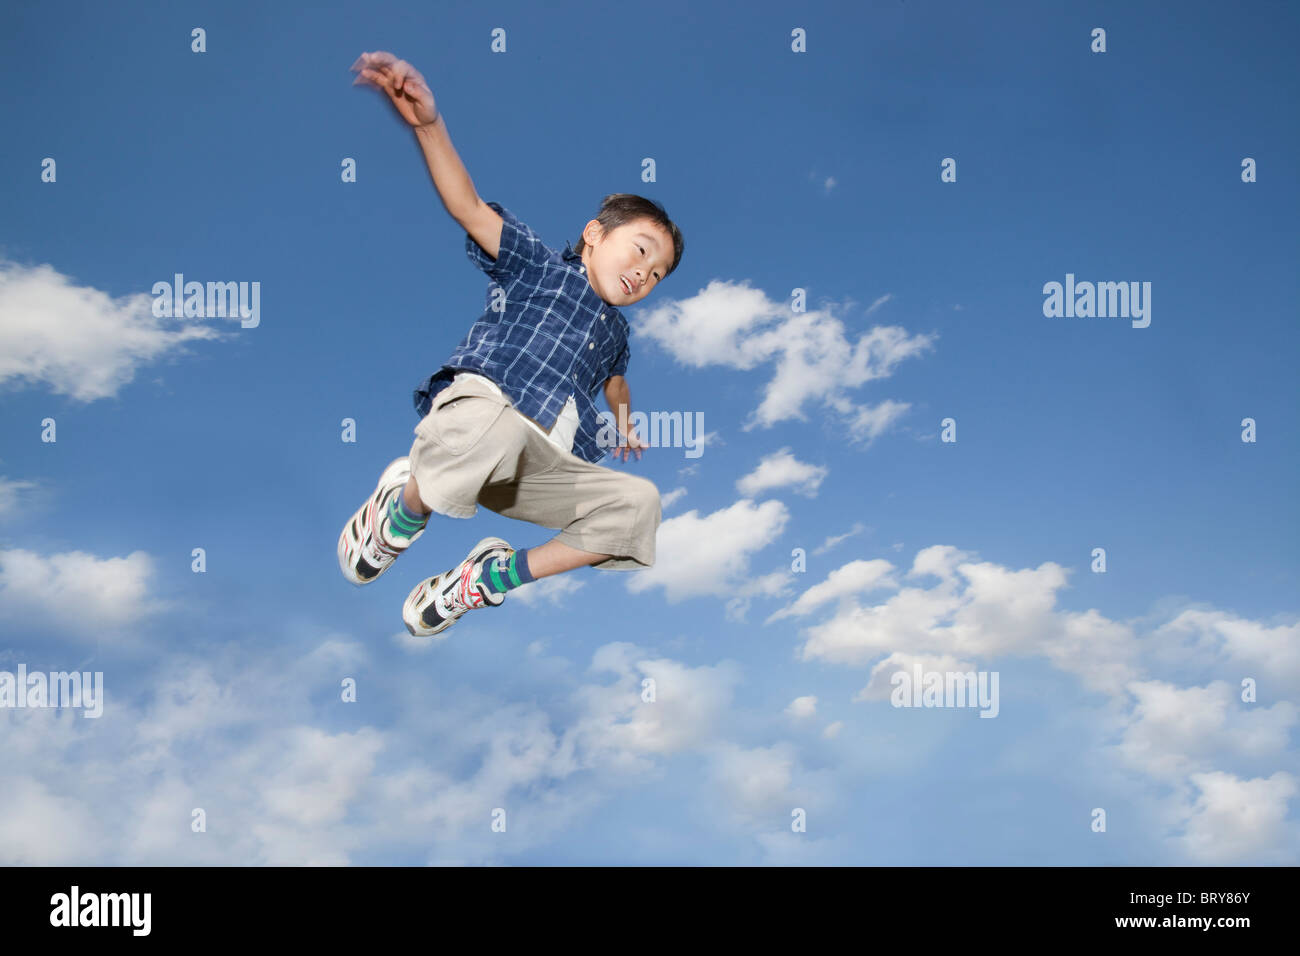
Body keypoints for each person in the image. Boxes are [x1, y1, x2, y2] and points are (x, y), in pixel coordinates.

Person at [338, 51, 685, 637]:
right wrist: (429, 126)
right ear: (594, 234)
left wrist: (624, 422)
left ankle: (482, 581)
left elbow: (615, 380)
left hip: (540, 460)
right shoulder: (539, 267)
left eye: (657, 275)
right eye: (642, 250)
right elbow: (469, 208)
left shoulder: (617, 333)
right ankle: (401, 510)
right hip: (480, 419)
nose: (643, 275)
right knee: (493, 424)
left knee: (639, 506)